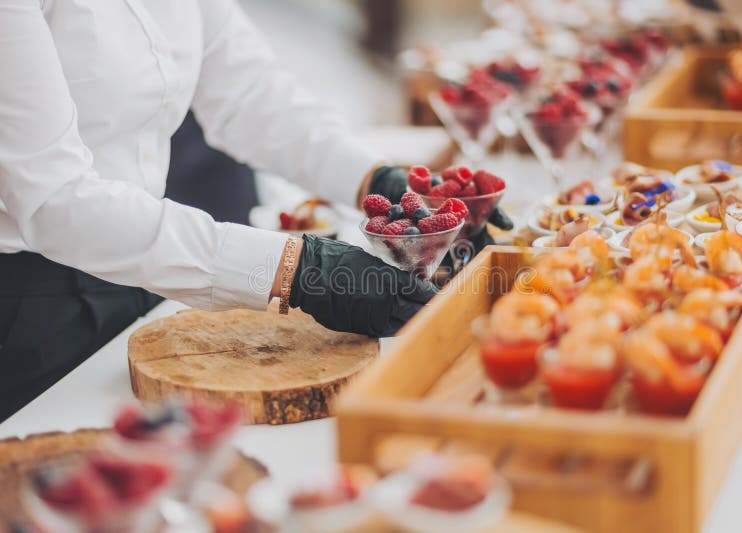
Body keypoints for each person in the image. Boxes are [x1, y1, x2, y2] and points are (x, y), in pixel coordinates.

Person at [0, 1, 444, 421]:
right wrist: (296, 267)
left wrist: (378, 181)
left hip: (151, 270)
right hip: (32, 313)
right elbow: (53, 199)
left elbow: (249, 95)